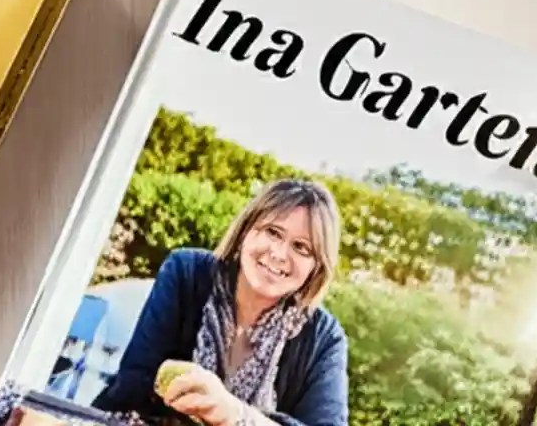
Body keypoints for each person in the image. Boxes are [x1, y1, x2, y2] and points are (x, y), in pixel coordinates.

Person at [89, 178, 349, 426]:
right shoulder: (186, 273)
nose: (279, 254)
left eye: (301, 248)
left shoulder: (324, 337)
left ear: (316, 267)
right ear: (246, 230)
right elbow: (134, 386)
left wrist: (232, 414)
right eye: (272, 232)